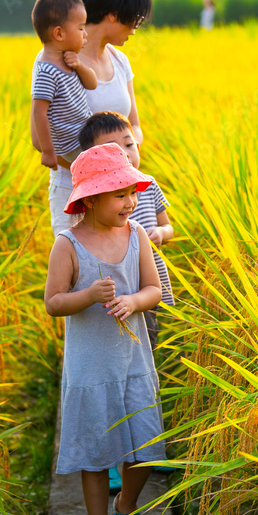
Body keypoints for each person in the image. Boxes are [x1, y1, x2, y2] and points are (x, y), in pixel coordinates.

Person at [44, 143, 167, 515]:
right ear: (90, 199)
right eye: (119, 194)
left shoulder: (135, 236)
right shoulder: (68, 244)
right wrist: (87, 296)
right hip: (91, 368)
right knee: (95, 453)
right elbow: (53, 302)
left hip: (133, 363)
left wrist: (134, 302)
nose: (130, 202)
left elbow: (154, 288)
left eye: (132, 192)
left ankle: (126, 505)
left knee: (145, 444)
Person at [33, 0, 153, 237]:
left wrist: (125, 160)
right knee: (79, 274)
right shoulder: (56, 62)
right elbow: (38, 138)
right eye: (135, 18)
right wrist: (95, 175)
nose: (136, 28)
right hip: (75, 190)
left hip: (122, 193)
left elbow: (134, 125)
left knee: (124, 273)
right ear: (113, 15)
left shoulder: (120, 61)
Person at [78, 111, 174, 351]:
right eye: (113, 149)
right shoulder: (97, 198)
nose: (125, 154)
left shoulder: (148, 185)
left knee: (146, 338)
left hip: (146, 280)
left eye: (129, 145)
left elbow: (168, 226)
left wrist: (161, 234)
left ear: (138, 144)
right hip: (114, 280)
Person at [30, 0, 97, 220]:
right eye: (80, 28)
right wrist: (48, 152)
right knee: (98, 174)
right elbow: (39, 113)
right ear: (59, 33)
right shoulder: (46, 71)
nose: (85, 34)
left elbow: (92, 84)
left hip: (85, 134)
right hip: (69, 144)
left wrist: (79, 65)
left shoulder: (69, 60)